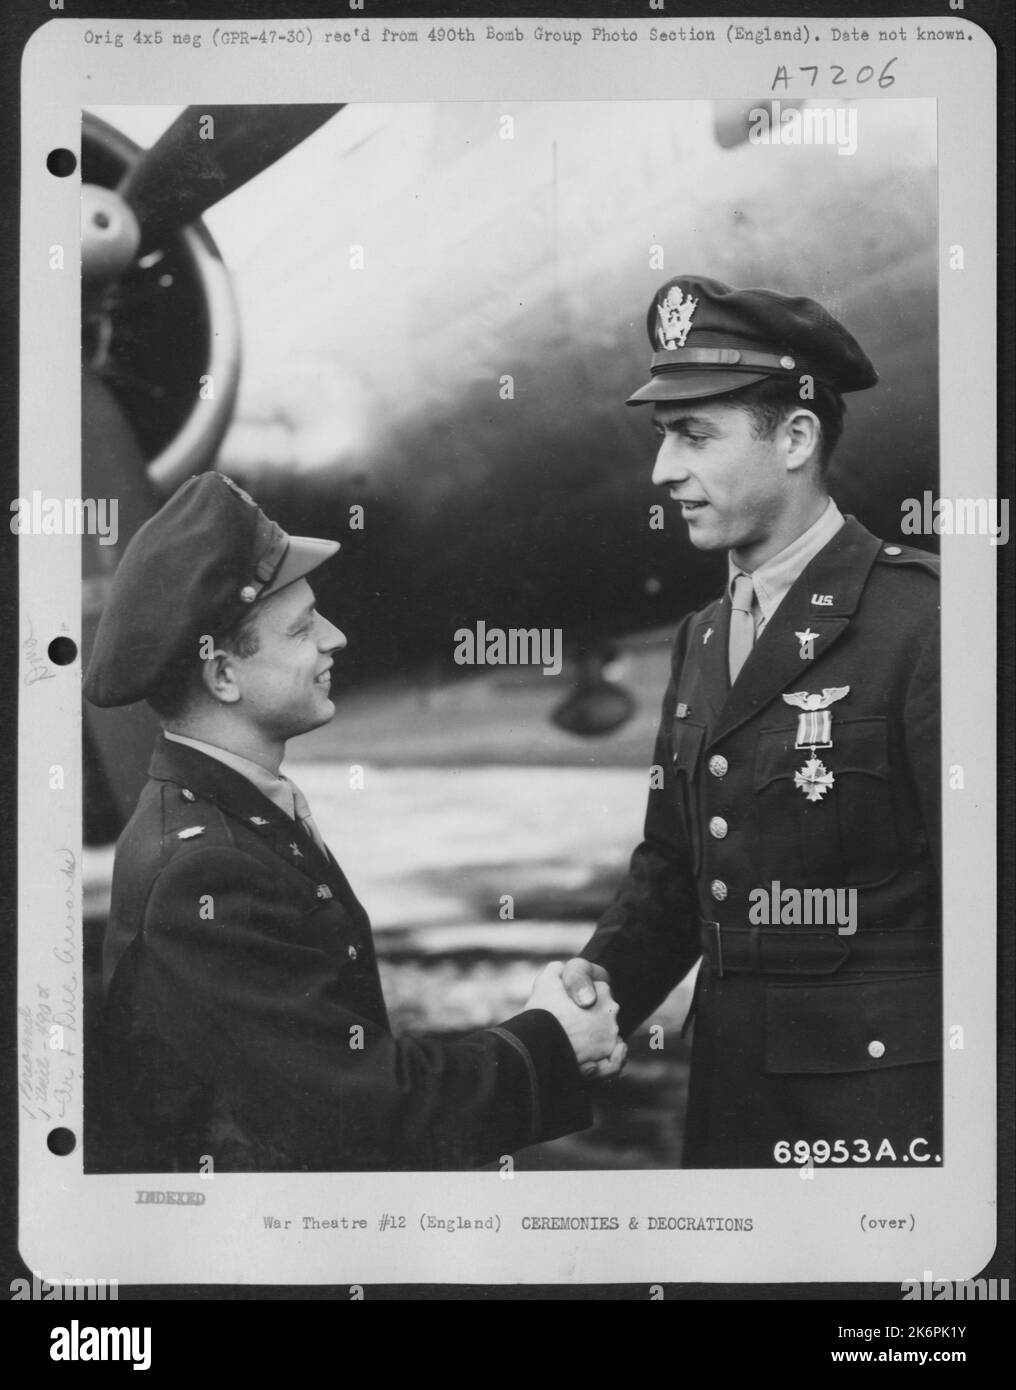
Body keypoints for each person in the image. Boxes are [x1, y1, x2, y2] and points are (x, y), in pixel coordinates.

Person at [84, 471, 623, 1173]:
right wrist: (549, 1042)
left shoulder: (232, 817)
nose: (336, 639)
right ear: (222, 677)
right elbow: (363, 1114)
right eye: (305, 628)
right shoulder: (202, 871)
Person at [561, 275, 941, 1168]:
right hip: (733, 1111)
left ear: (797, 438)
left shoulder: (924, 622)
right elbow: (676, 873)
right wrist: (589, 991)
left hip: (882, 1126)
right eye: (663, 438)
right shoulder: (703, 638)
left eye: (695, 435)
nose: (664, 472)